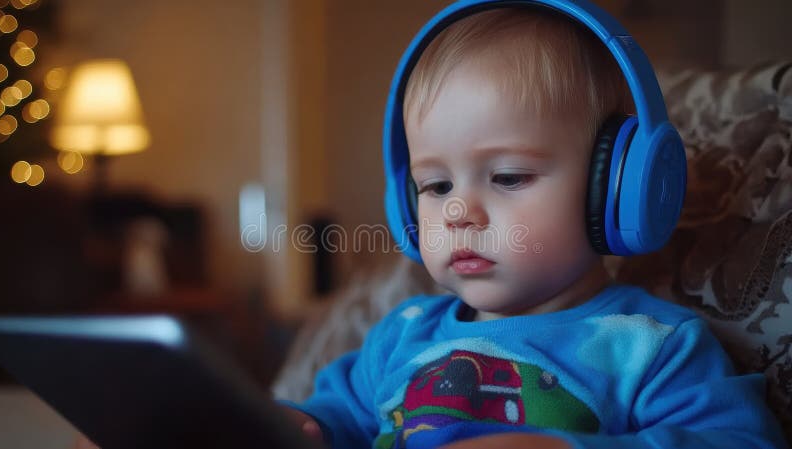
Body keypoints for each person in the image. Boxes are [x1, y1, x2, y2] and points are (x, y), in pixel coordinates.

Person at [282, 1, 788, 449]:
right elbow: (340, 417)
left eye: (507, 176)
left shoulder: (651, 346)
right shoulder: (401, 332)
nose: (459, 213)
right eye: (436, 187)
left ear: (615, 188)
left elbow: (739, 440)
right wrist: (305, 426)